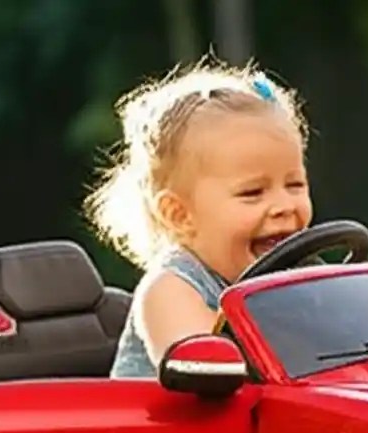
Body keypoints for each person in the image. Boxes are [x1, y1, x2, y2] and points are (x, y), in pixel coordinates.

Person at [85, 60, 312, 378]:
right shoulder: (171, 290)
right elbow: (213, 370)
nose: (284, 206)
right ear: (179, 215)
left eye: (295, 185)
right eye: (252, 192)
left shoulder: (298, 281)